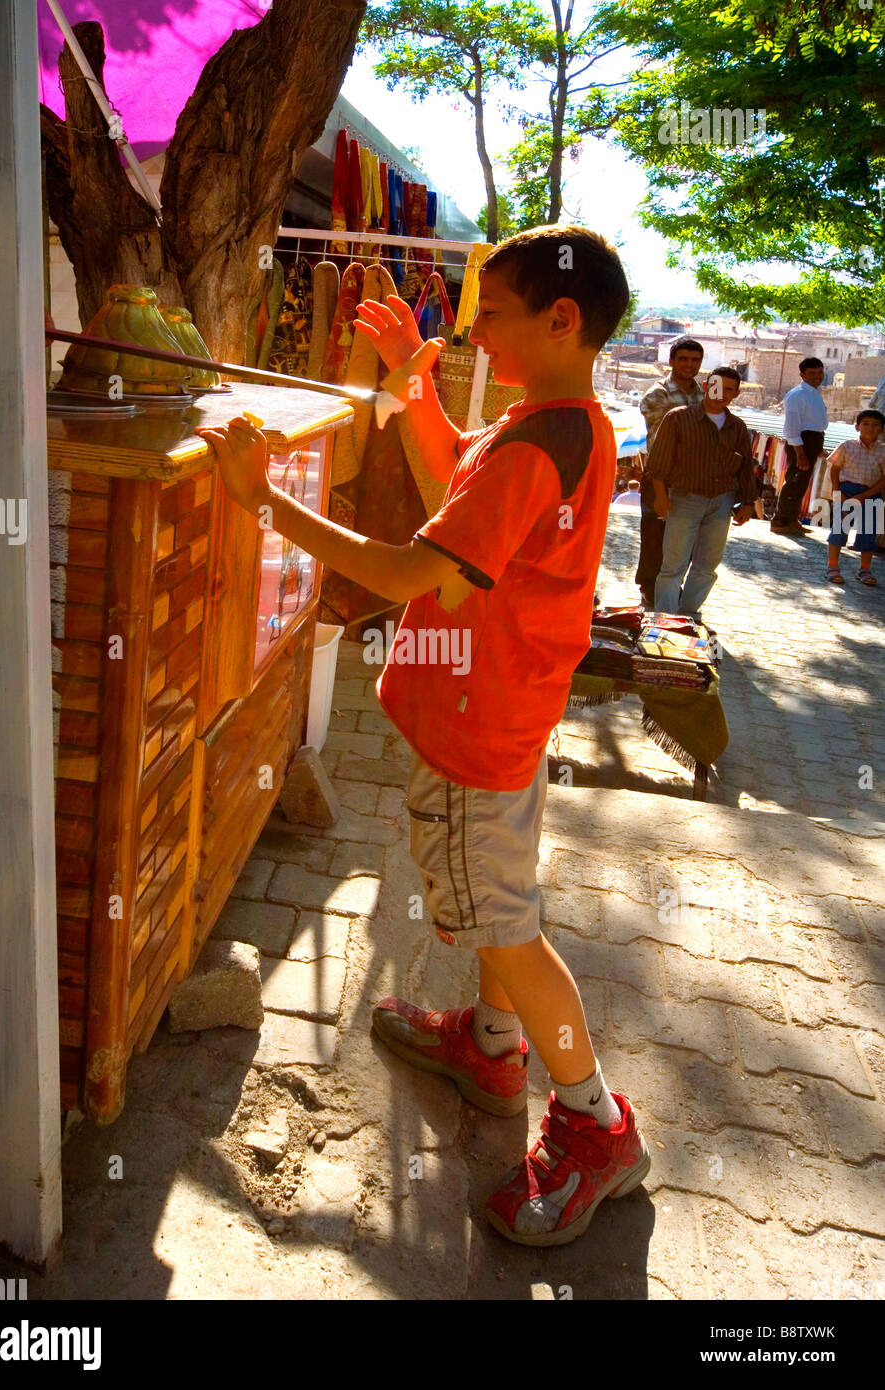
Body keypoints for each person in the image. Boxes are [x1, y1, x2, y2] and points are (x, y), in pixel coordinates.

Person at [195, 225, 650, 1247]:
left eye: (489, 312)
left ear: (559, 318)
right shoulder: (562, 421)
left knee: (505, 925)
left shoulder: (540, 440)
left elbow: (406, 571)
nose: (473, 330)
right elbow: (454, 476)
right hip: (504, 714)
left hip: (477, 728)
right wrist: (410, 384)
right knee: (498, 907)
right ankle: (491, 1046)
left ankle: (594, 1121)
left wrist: (261, 497)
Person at [646, 366, 757, 618]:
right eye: (717, 386)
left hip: (721, 502)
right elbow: (658, 464)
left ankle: (686, 615)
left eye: (729, 389)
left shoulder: (737, 427)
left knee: (707, 565)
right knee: (673, 564)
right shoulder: (678, 418)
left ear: (736, 394)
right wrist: (661, 496)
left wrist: (748, 502)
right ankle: (664, 618)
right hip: (684, 499)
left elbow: (745, 466)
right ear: (706, 386)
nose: (722, 393)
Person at [635, 338, 705, 604]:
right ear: (672, 361)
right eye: (683, 359)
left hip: (692, 479)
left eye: (694, 360)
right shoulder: (657, 394)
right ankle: (650, 588)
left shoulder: (703, 394)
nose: (689, 365)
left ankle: (670, 587)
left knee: (685, 537)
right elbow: (672, 432)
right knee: (655, 535)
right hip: (661, 476)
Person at [824, 409, 885, 586]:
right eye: (865, 424)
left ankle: (864, 569)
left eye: (875, 425)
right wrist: (838, 491)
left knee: (868, 533)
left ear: (882, 429)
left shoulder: (883, 451)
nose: (870, 428)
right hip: (846, 492)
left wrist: (865, 495)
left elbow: (884, 479)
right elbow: (835, 469)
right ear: (857, 426)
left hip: (872, 494)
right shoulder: (846, 445)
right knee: (839, 529)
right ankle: (832, 567)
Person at [771, 356, 828, 535]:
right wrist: (800, 452)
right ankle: (780, 520)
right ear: (802, 375)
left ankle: (791, 519)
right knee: (794, 482)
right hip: (801, 442)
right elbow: (792, 427)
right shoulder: (797, 395)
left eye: (820, 372)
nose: (817, 377)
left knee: (802, 483)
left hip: (811, 441)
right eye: (812, 373)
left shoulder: (814, 393)